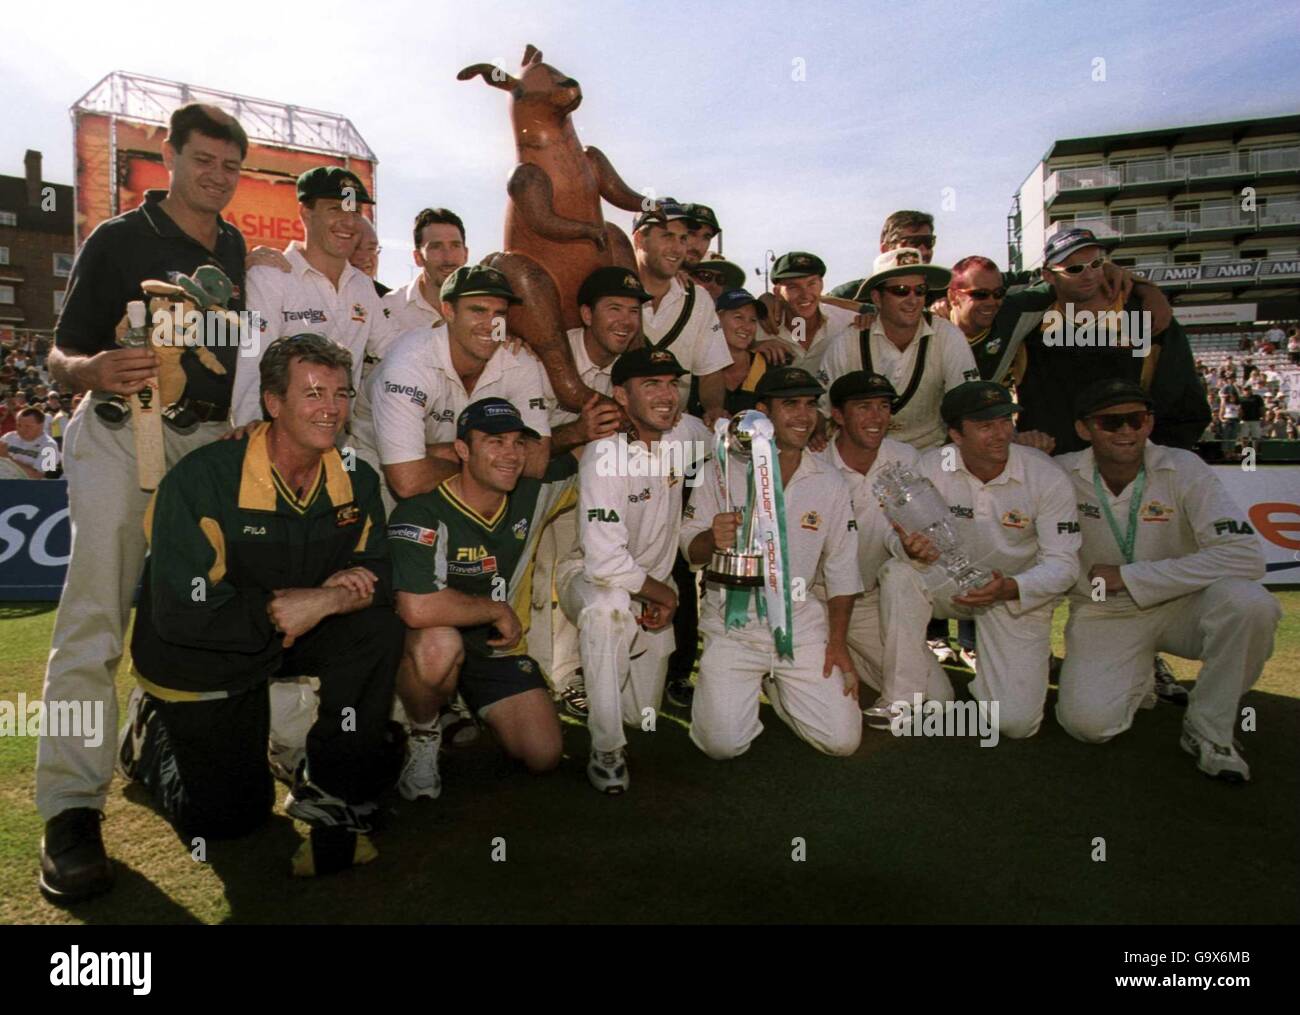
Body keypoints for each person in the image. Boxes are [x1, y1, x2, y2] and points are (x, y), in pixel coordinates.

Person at [36, 102, 249, 905]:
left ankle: (151, 740)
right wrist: (91, 370)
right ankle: (69, 811)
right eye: (204, 161)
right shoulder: (118, 239)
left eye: (230, 166)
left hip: (203, 443)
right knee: (94, 616)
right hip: (123, 433)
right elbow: (57, 355)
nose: (217, 177)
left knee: (196, 613)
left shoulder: (230, 246)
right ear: (171, 154)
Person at [116, 334, 402, 877]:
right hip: (196, 650)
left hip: (296, 630)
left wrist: (329, 598)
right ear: (273, 403)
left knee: (378, 629)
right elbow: (180, 611)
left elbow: (382, 574)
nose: (331, 409)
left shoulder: (356, 476)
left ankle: (332, 791)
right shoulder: (203, 479)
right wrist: (274, 613)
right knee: (229, 818)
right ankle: (149, 733)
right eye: (314, 393)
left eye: (340, 394)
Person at [1054, 379, 1281, 780]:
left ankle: (1208, 730)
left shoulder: (1185, 467)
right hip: (1105, 611)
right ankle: (1138, 675)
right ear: (1083, 429)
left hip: (1186, 601)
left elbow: (1245, 555)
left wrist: (1132, 576)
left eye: (1137, 420)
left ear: (1149, 423)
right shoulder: (1058, 473)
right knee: (1088, 727)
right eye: (1111, 422)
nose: (1126, 431)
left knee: (1253, 604)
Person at [387, 398, 578, 799]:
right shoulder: (420, 510)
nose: (510, 454)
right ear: (462, 450)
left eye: (517, 442)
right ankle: (423, 733)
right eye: (494, 442)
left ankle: (472, 702)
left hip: (497, 649)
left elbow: (591, 453)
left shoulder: (535, 492)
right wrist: (495, 608)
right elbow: (416, 607)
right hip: (431, 641)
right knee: (440, 644)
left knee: (543, 755)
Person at [879, 381, 1080, 738]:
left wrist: (1011, 587)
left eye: (1005, 421)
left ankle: (1001, 673)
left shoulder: (1046, 475)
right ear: (955, 434)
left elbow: (1064, 565)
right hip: (945, 581)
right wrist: (906, 548)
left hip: (1013, 590)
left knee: (1014, 724)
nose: (1001, 434)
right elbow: (891, 535)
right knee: (898, 574)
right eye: (985, 426)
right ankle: (904, 697)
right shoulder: (931, 466)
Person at [682, 366, 863, 759]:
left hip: (801, 628)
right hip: (734, 627)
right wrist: (712, 538)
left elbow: (842, 569)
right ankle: (737, 691)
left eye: (810, 405)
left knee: (843, 742)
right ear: (761, 412)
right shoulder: (720, 469)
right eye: (790, 404)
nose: (803, 415)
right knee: (722, 746)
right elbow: (689, 551)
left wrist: (838, 643)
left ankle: (781, 689)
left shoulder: (829, 481)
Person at [557, 347, 710, 792]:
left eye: (672, 384)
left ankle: (606, 680)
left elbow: (726, 438)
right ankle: (605, 751)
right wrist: (665, 595)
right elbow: (605, 563)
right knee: (608, 610)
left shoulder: (684, 431)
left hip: (651, 591)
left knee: (641, 714)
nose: (666, 396)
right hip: (590, 577)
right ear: (620, 396)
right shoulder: (604, 456)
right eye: (651, 385)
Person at [530, 267, 651, 719]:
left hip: (594, 488)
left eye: (634, 311)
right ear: (585, 313)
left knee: (580, 574)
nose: (625, 320)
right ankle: (542, 677)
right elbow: (527, 438)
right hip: (537, 480)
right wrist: (578, 431)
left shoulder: (632, 361)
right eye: (614, 309)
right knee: (541, 579)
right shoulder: (548, 353)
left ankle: (567, 676)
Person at [814, 371, 955, 727]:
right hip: (816, 601)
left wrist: (912, 547)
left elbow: (901, 529)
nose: (877, 417)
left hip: (869, 600)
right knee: (830, 713)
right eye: (864, 407)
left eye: (883, 407)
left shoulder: (904, 457)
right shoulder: (814, 464)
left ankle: (866, 662)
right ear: (838, 415)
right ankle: (803, 665)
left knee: (938, 702)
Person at [351, 265, 552, 509]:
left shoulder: (520, 362)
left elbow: (536, 462)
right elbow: (407, 480)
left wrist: (446, 454)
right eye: (478, 311)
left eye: (499, 314)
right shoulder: (409, 362)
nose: (491, 325)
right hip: (378, 475)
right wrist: (482, 460)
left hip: (454, 476)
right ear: (448, 311)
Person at [232, 166, 397, 425]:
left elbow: (393, 351)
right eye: (335, 209)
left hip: (338, 441)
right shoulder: (270, 276)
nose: (348, 222)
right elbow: (252, 360)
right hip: (283, 441)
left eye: (354, 211)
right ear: (305, 213)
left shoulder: (363, 285)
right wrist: (250, 436)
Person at [820, 248, 979, 449]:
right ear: (877, 298)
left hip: (929, 455)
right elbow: (822, 410)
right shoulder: (848, 342)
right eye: (901, 290)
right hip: (863, 458)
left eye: (920, 290)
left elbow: (969, 407)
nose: (913, 300)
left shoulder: (948, 336)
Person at [633, 202, 731, 425]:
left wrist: (714, 409)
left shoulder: (699, 299)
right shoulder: (612, 290)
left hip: (675, 424)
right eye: (667, 236)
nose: (678, 248)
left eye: (683, 239)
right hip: (615, 425)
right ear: (639, 239)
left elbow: (710, 371)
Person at [754, 251, 858, 382]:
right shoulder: (758, 328)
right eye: (793, 287)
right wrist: (751, 349)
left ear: (821, 284)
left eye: (811, 284)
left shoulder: (848, 322)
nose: (805, 294)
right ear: (777, 292)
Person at [382, 208, 469, 332]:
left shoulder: (488, 306)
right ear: (418, 257)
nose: (448, 257)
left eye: (455, 246)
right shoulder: (391, 307)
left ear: (465, 254)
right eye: (436, 247)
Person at [689, 288, 768, 417]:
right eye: (738, 317)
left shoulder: (768, 366)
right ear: (717, 319)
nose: (747, 327)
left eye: (753, 320)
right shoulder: (695, 366)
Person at [0, 407, 59, 478]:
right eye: (19, 425)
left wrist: (8, 458)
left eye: (28, 426)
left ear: (41, 426)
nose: (21, 429)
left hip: (28, 487)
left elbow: (38, 477)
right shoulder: (9, 437)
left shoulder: (50, 447)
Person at [349, 216, 389, 297]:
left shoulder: (390, 302)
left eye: (371, 248)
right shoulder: (319, 296)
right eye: (356, 248)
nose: (366, 257)